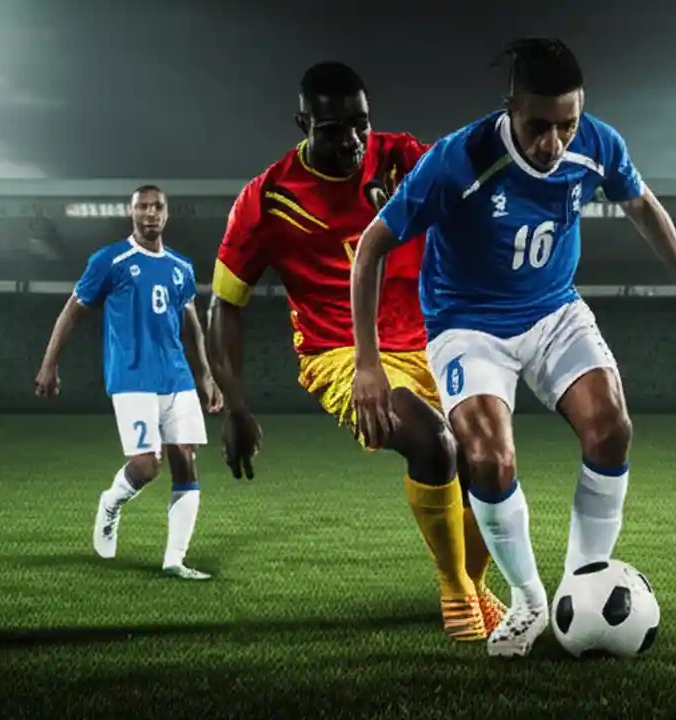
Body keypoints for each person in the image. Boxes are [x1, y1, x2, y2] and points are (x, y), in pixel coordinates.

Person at [350, 38, 676, 657]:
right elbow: (370, 248)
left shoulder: (598, 144)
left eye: (567, 125)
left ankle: (582, 585)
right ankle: (528, 602)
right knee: (490, 460)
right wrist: (367, 362)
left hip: (553, 310)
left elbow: (641, 204)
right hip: (467, 324)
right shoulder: (459, 159)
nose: (554, 143)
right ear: (511, 109)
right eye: (538, 127)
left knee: (612, 430)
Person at [208, 61, 504, 641]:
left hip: (428, 340)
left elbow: (473, 188)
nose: (351, 141)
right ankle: (455, 591)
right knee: (433, 441)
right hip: (341, 352)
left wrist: (415, 203)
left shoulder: (400, 159)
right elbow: (225, 305)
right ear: (302, 124)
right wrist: (236, 407)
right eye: (332, 129)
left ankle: (476, 584)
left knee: (488, 456)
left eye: (360, 125)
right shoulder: (267, 199)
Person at [34, 185, 223, 581]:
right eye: (143, 207)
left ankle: (175, 560)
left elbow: (191, 326)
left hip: (177, 377)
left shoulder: (181, 266)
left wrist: (205, 374)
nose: (150, 213)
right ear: (132, 212)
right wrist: (49, 364)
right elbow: (72, 312)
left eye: (157, 207)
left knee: (185, 460)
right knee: (146, 466)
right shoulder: (110, 260)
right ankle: (111, 503)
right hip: (132, 377)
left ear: (167, 213)